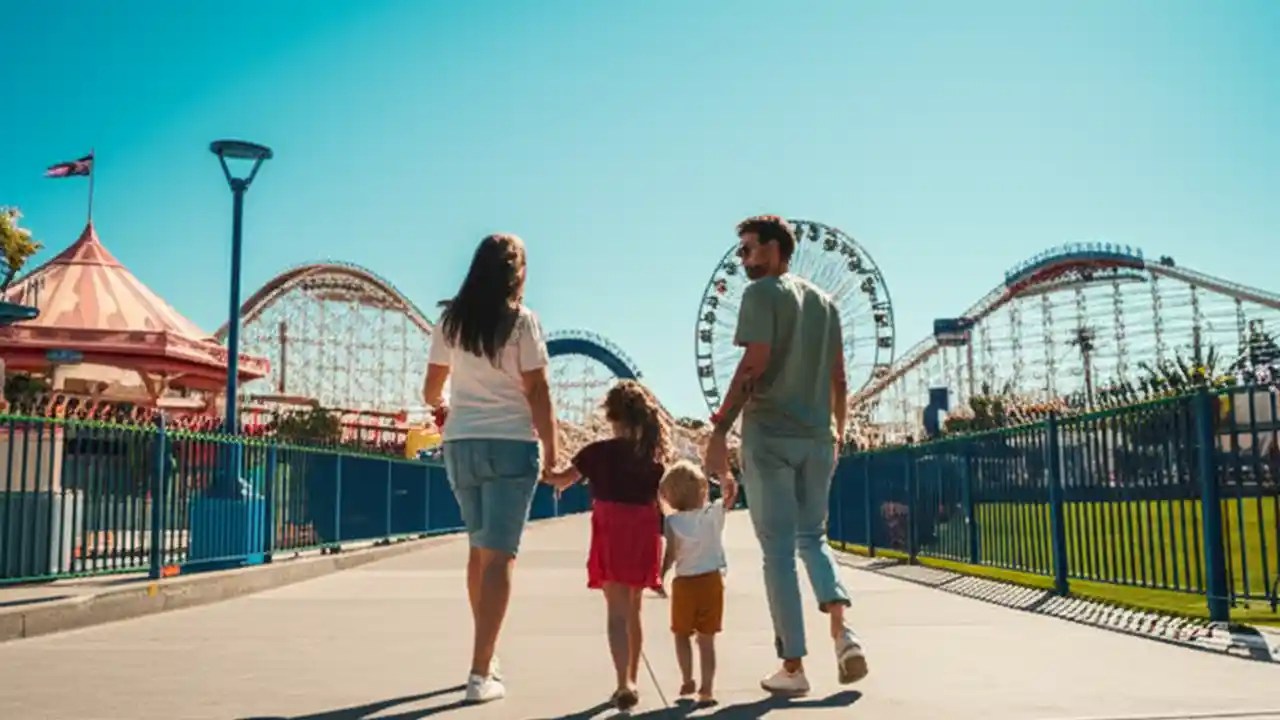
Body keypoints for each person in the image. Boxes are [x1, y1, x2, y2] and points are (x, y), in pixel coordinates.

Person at [702, 214, 867, 696]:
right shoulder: (826, 304)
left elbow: (755, 361)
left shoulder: (761, 295)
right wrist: (838, 429)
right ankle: (843, 632)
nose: (744, 261)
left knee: (777, 553)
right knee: (813, 537)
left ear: (776, 249)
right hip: (818, 437)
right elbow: (840, 378)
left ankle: (793, 668)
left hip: (770, 435)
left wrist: (720, 428)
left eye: (749, 250)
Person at [422, 233, 558, 704]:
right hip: (511, 444)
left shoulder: (450, 321)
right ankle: (481, 672)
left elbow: (430, 389)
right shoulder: (522, 323)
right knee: (500, 557)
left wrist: (443, 408)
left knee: (479, 552)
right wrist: (554, 451)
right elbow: (538, 391)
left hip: (461, 443)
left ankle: (488, 653)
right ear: (516, 273)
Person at [544, 380, 669, 712]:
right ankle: (634, 680)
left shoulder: (596, 454)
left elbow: (560, 479)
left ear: (611, 416)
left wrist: (544, 464)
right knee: (634, 608)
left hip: (611, 527)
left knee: (615, 612)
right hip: (643, 528)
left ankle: (622, 682)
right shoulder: (652, 460)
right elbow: (667, 498)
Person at [658, 460, 727, 707]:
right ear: (702, 489)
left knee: (681, 634)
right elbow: (731, 494)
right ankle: (707, 690)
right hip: (711, 581)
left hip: (685, 584)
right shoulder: (713, 515)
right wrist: (724, 473)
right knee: (707, 640)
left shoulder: (673, 523)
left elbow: (672, 554)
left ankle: (688, 678)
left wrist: (661, 573)